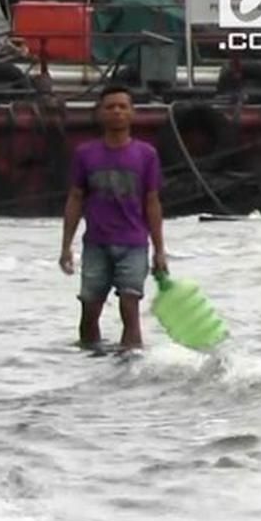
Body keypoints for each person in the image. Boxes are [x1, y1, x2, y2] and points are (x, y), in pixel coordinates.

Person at [59, 84, 166, 351]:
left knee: (129, 306)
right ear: (100, 114)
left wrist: (160, 250)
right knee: (90, 308)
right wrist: (66, 247)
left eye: (122, 106)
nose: (116, 111)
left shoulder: (146, 155)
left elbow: (152, 202)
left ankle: (130, 365)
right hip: (96, 243)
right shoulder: (85, 154)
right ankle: (91, 361)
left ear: (132, 113)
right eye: (110, 107)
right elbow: (75, 198)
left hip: (134, 244)